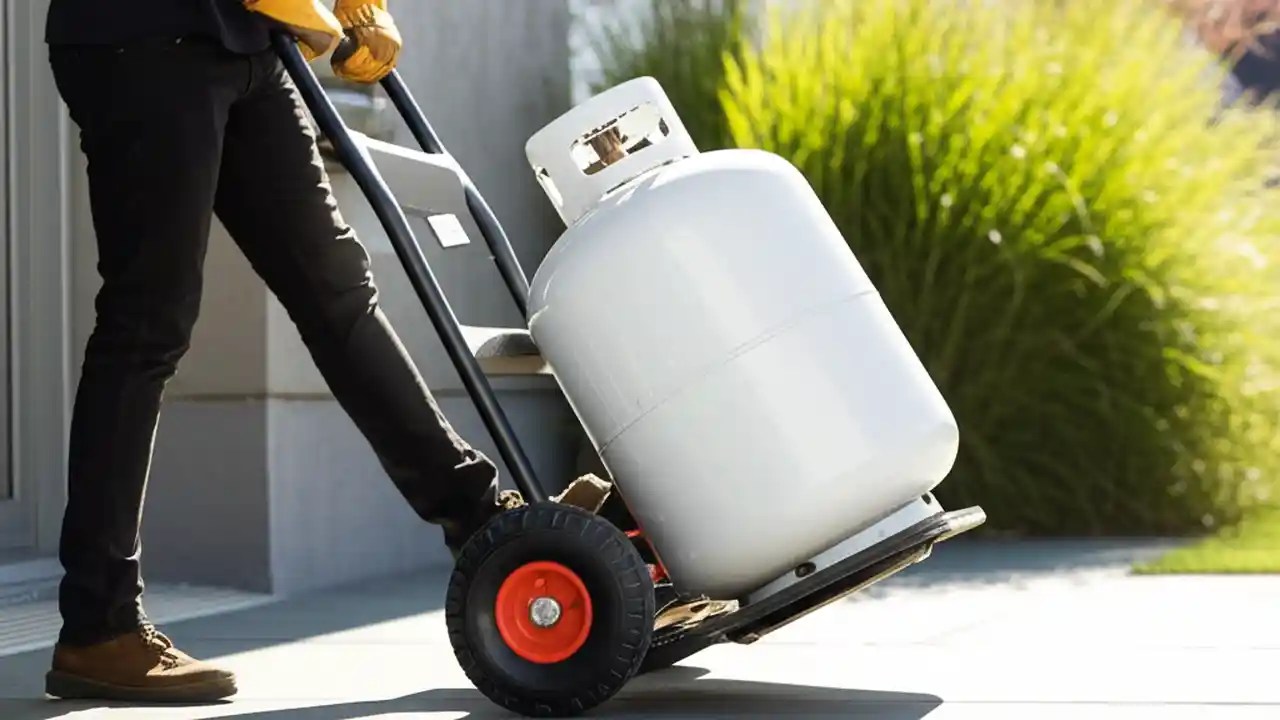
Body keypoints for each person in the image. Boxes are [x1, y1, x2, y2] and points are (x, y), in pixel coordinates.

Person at [41, 0, 522, 704]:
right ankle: (98, 625)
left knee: (339, 295)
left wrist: (364, 6)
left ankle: (484, 524)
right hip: (139, 39)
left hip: (247, 44)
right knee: (146, 323)